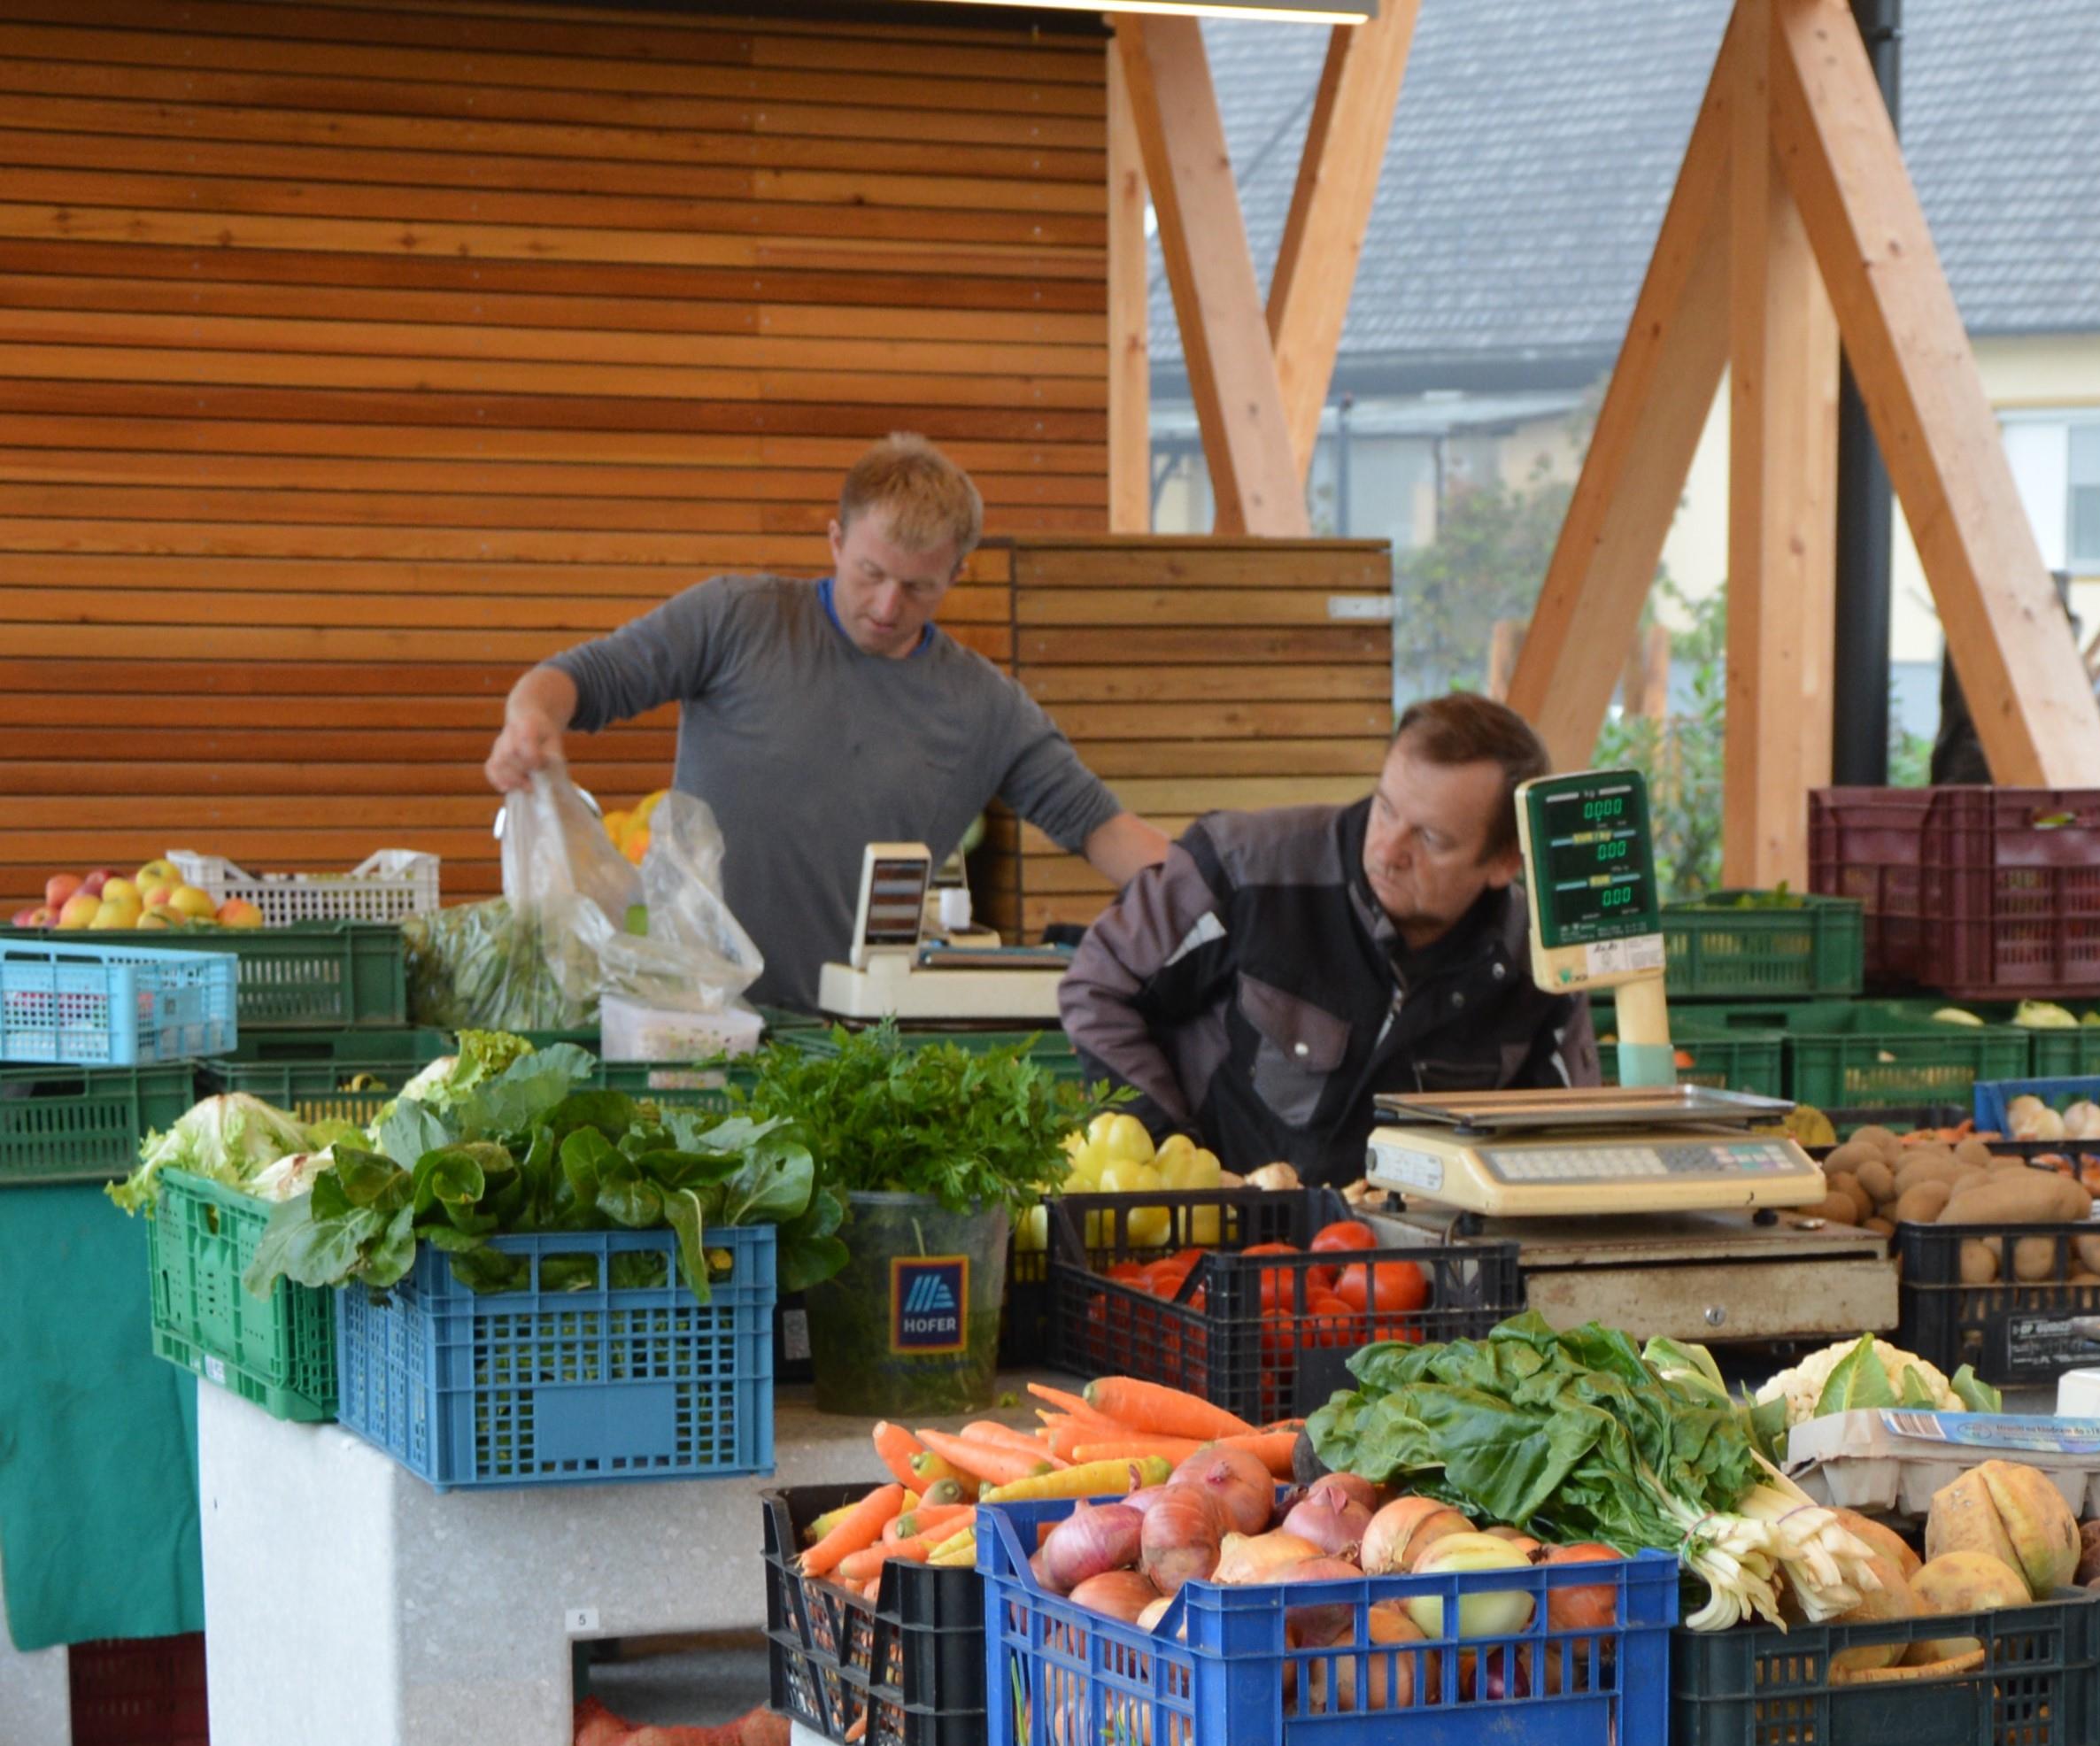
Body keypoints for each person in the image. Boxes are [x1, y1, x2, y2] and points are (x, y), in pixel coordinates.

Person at [487, 433, 1170, 1012]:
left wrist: (1215, 890)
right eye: (870, 572)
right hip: (691, 1019)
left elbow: (1102, 826)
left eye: (918, 587)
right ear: (837, 539)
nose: (886, 604)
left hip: (854, 1040)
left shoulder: (985, 708)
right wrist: (530, 717)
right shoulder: (737, 620)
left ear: (959, 574)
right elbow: (586, 676)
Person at [1055, 692, 1597, 1188]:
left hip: (1412, 1273)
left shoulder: (1542, 966)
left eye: (1430, 838)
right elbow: (1099, 986)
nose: (1387, 850)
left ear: (1504, 862)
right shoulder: (1247, 870)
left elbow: (1571, 1146)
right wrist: (1179, 1163)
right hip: (1216, 1250)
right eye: (1386, 808)